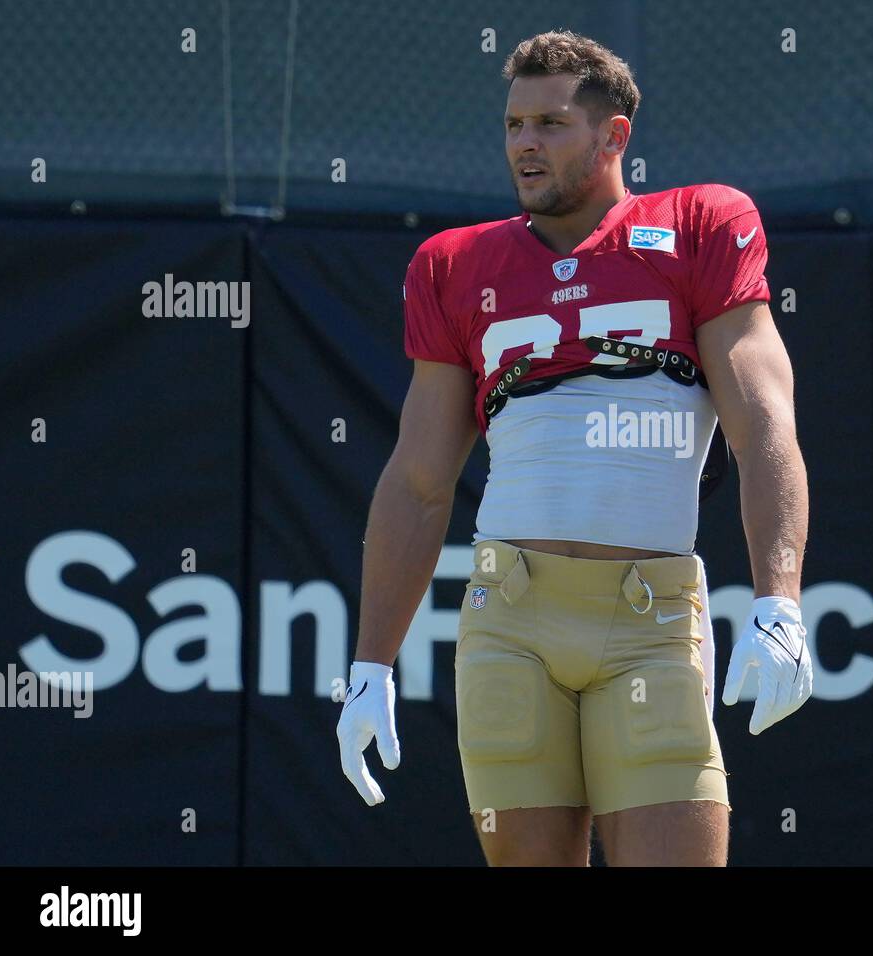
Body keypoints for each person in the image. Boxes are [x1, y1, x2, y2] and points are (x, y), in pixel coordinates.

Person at [337, 30, 811, 866]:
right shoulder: (453, 265)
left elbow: (763, 424)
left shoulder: (701, 223)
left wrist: (780, 600)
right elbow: (418, 482)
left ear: (613, 135)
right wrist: (371, 662)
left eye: (551, 123)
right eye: (515, 123)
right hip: (510, 616)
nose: (525, 142)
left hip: (650, 615)